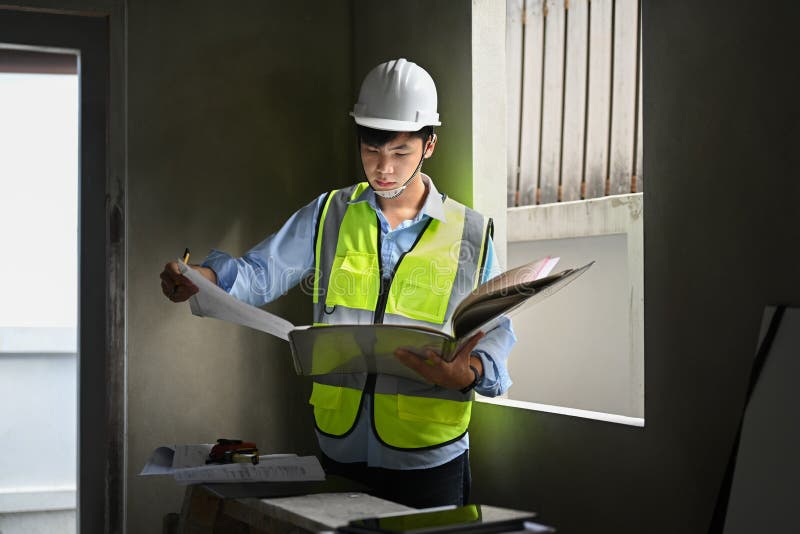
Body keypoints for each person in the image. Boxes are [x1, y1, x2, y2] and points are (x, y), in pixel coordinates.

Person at [159, 58, 515, 508]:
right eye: (371, 149)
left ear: (430, 145)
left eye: (400, 152)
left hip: (429, 460)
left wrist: (469, 373)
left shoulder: (470, 232)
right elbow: (257, 274)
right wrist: (200, 280)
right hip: (340, 453)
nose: (382, 167)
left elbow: (498, 333)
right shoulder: (329, 214)